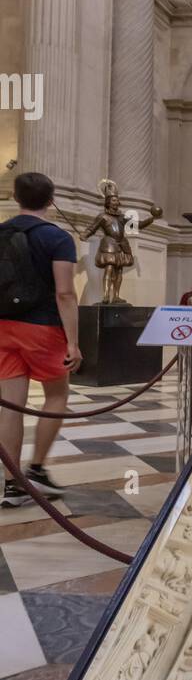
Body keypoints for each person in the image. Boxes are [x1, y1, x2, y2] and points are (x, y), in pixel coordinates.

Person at [0, 171, 82, 506]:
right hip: (43, 327)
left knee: (10, 405)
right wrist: (73, 343)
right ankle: (36, 469)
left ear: (17, 198)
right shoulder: (57, 237)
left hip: (4, 326)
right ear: (51, 200)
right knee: (57, 396)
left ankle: (11, 484)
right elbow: (64, 293)